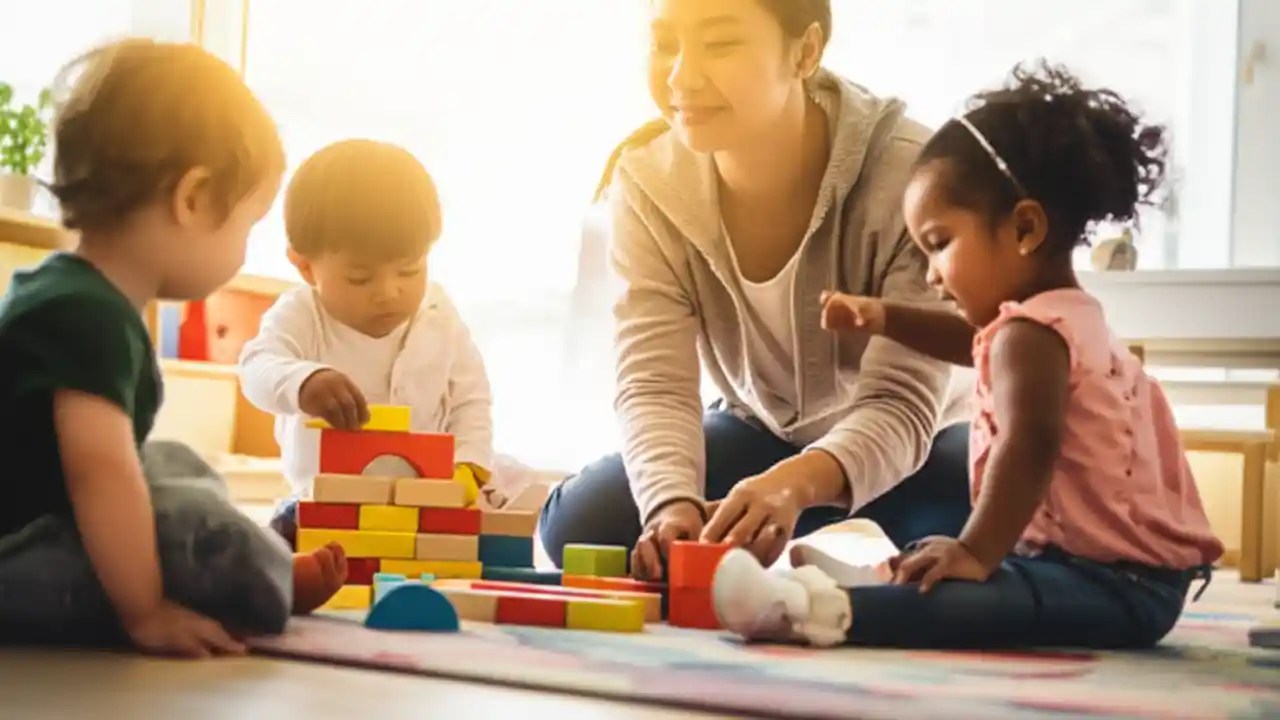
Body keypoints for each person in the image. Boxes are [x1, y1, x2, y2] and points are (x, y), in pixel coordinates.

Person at [712, 60, 1224, 649]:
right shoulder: (1054, 322)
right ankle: (863, 586)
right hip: (1104, 574)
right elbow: (977, 346)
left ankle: (808, 611)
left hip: (1117, 587)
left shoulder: (1033, 337)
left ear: (1024, 228)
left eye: (939, 244)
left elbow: (1028, 443)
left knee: (966, 596)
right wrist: (885, 317)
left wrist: (978, 552)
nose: (931, 275)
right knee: (947, 569)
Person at [539, 0, 972, 579]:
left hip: (917, 443)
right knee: (580, 524)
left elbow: (901, 404)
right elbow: (656, 382)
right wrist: (671, 504)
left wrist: (796, 484)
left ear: (806, 51)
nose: (681, 77)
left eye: (719, 44)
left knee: (992, 532)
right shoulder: (647, 183)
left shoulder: (915, 175)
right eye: (666, 43)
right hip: (757, 430)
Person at [0, 39, 347, 657]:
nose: (243, 249)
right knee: (181, 516)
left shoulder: (69, 293)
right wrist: (145, 613)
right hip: (19, 555)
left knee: (171, 464)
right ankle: (260, 581)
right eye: (246, 224)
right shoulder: (87, 316)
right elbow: (97, 470)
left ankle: (258, 564)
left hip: (31, 523)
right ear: (192, 199)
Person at [238, 139, 494, 548]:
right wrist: (302, 381)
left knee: (488, 527)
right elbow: (256, 367)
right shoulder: (303, 313)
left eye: (409, 271)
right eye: (360, 278)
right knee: (278, 545)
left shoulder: (439, 313)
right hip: (324, 505)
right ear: (305, 266)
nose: (388, 292)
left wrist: (469, 463)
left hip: (424, 504)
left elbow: (471, 399)